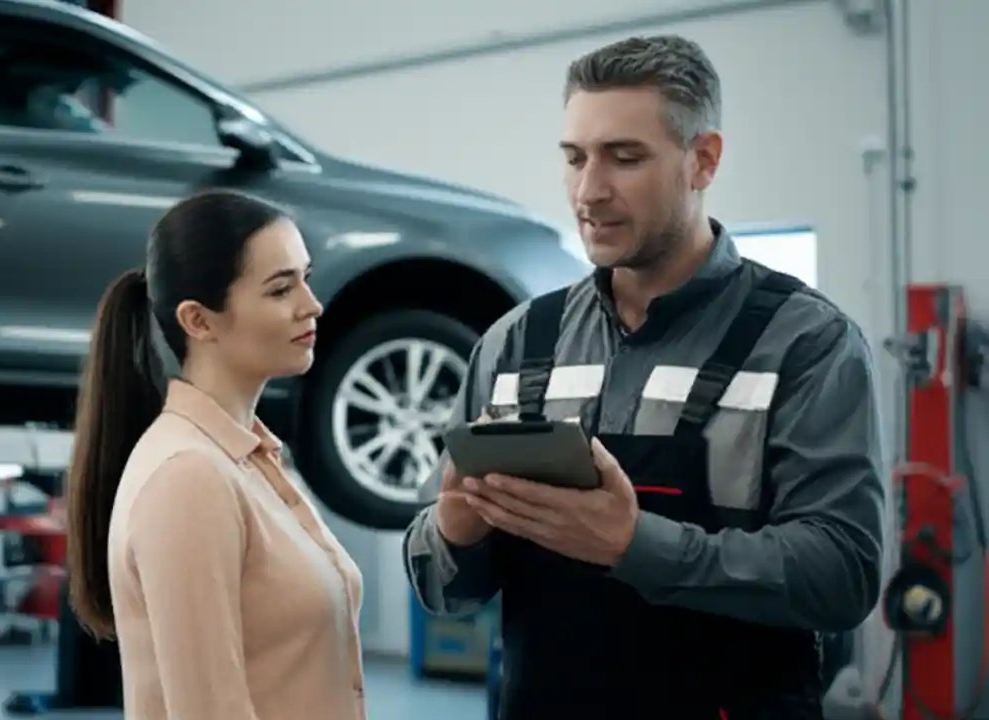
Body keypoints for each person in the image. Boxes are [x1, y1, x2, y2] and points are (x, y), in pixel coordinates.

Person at [403, 34, 886, 719]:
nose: (589, 191)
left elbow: (842, 573)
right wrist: (453, 534)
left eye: (624, 158)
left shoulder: (804, 344)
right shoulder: (516, 347)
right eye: (574, 159)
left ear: (703, 160)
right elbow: (440, 584)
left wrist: (635, 545)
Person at [65, 189, 366, 720]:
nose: (311, 305)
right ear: (199, 322)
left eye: (306, 278)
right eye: (280, 289)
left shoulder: (250, 457)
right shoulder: (189, 478)